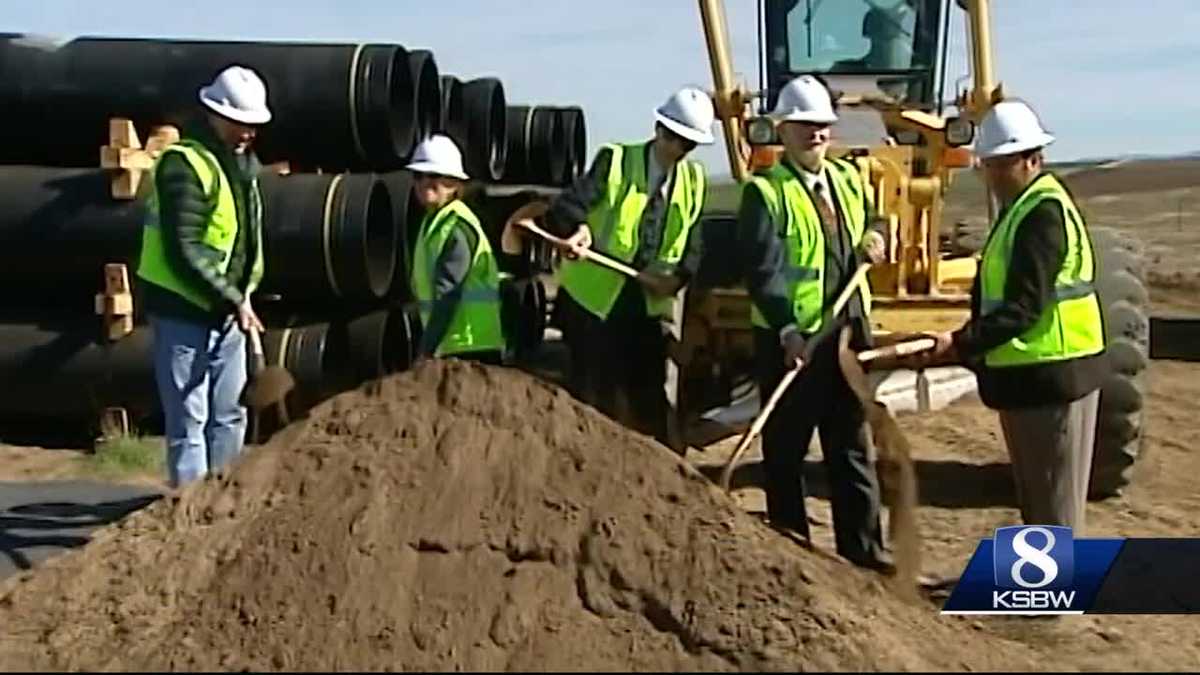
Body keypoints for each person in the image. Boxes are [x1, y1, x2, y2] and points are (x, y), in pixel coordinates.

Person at [912, 100, 1107, 532]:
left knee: (1054, 504)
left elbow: (1023, 307)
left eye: (1003, 165)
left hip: (1053, 376)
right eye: (988, 165)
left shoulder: (1042, 213)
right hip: (1030, 376)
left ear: (1032, 160)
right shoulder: (1020, 208)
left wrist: (959, 344)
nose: (993, 176)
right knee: (1037, 499)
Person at [734, 74, 892, 572]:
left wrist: (876, 237)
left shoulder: (847, 180)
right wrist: (786, 329)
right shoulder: (765, 192)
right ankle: (791, 552)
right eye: (804, 126)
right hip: (795, 341)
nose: (816, 135)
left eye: (822, 125)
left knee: (851, 447)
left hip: (847, 337)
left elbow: (877, 220)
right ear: (782, 131)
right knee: (785, 451)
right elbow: (764, 271)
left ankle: (864, 554)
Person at [544, 87, 714, 451]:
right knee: (594, 400)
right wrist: (577, 229)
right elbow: (567, 208)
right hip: (594, 303)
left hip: (645, 306)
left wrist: (676, 280)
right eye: (675, 139)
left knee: (648, 400)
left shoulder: (694, 181)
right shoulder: (616, 161)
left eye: (688, 145)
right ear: (658, 130)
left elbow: (695, 244)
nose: (679, 150)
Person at [137, 65, 271, 489]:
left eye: (254, 125)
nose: (249, 132)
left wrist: (242, 295)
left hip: (228, 309)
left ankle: (222, 509)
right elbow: (185, 249)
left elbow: (241, 238)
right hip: (182, 310)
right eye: (241, 123)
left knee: (230, 413)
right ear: (215, 114)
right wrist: (233, 297)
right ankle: (190, 517)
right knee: (189, 419)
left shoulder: (242, 167)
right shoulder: (185, 165)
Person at [407, 134, 506, 365]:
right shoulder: (432, 224)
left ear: (453, 183)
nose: (423, 183)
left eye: (434, 176)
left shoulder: (458, 227)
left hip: (472, 347)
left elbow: (447, 292)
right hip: (451, 345)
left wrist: (426, 350)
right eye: (417, 176)